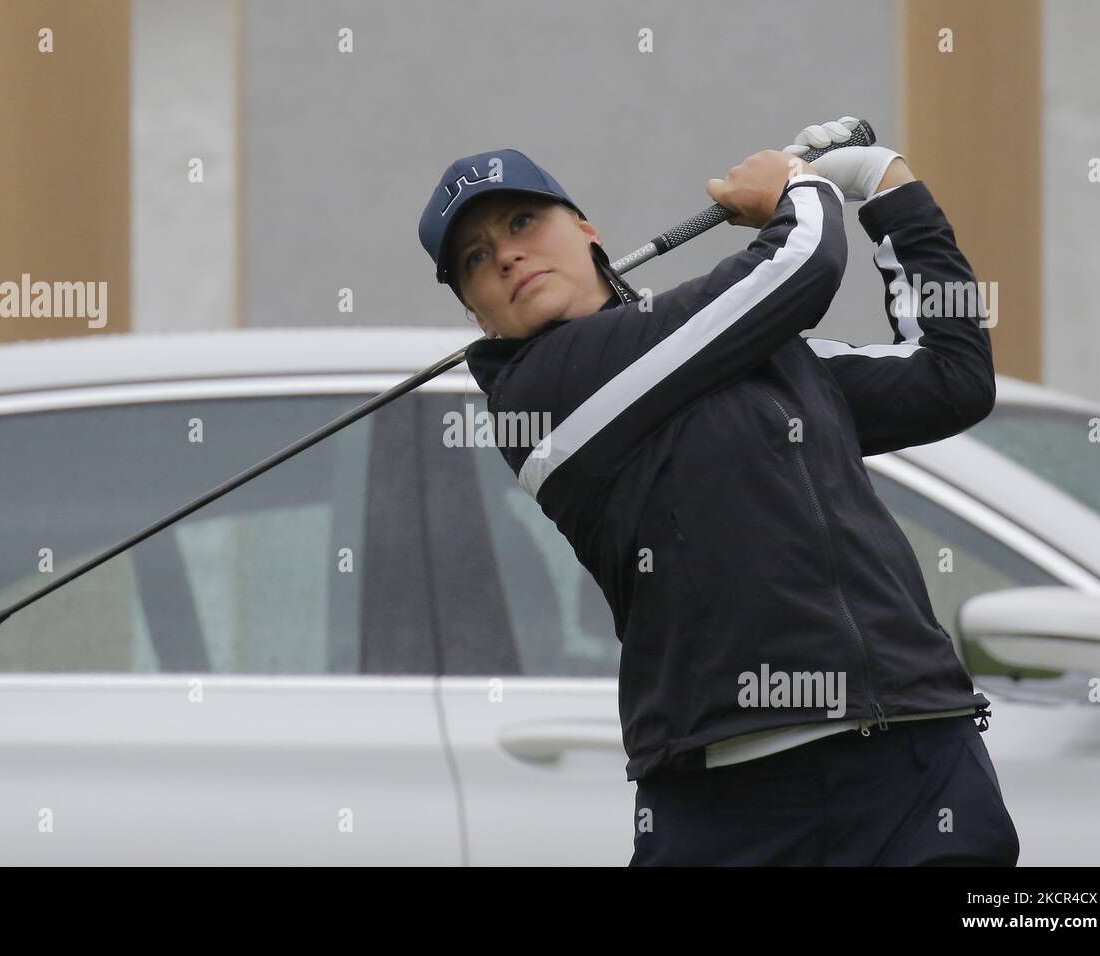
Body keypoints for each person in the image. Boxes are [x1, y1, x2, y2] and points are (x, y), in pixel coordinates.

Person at [417, 119, 1021, 866]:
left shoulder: (738, 346)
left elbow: (951, 378)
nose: (507, 253)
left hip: (915, 762)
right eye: (477, 258)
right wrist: (798, 188)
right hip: (734, 808)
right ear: (478, 314)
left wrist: (891, 187)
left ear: (586, 230)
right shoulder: (538, 396)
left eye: (521, 222)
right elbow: (800, 265)